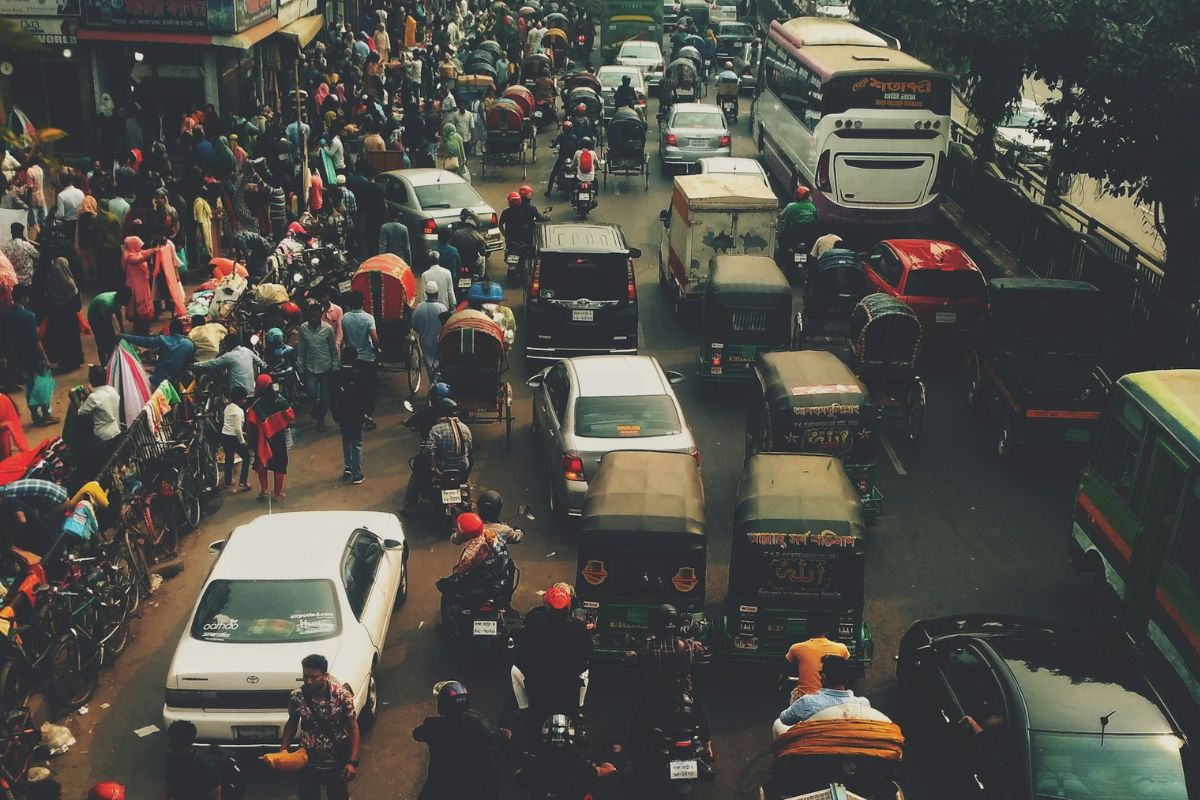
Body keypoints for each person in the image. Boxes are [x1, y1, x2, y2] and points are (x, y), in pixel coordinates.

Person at [625, 603, 714, 759]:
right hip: (682, 694)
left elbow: (638, 659)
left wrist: (630, 655)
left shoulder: (650, 646)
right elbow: (702, 651)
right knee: (701, 706)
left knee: (637, 714)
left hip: (657, 695)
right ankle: (707, 746)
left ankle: (631, 756)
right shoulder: (687, 646)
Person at [512, 583, 592, 731]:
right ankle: (580, 708)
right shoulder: (578, 627)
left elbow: (524, 646)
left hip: (539, 680)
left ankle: (523, 708)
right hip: (569, 680)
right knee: (585, 670)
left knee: (514, 670)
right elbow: (588, 651)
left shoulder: (535, 621)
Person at [280, 654, 360, 800]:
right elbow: (292, 723)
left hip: (336, 761)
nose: (308, 681)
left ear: (325, 675)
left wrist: (353, 762)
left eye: (314, 677)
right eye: (305, 677)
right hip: (307, 762)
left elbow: (353, 728)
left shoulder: (341, 696)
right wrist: (283, 750)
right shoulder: (296, 696)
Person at [413, 680, 509, 800]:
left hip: (440, 786)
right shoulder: (479, 722)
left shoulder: (433, 725)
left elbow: (416, 734)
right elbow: (500, 737)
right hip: (472, 787)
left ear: (443, 704)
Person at [513, 715, 617, 799]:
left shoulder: (535, 764)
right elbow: (600, 772)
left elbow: (519, 780)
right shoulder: (579, 764)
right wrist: (609, 768)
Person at [773, 654, 870, 737]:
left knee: (778, 723)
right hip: (848, 749)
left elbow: (784, 719)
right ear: (846, 679)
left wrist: (796, 705)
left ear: (823, 677)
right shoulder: (862, 703)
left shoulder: (807, 702)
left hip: (814, 749)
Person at [402, 396, 472, 512]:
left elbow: (429, 450)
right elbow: (469, 448)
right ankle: (470, 502)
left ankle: (408, 504)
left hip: (441, 470)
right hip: (460, 471)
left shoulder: (436, 429)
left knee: (418, 464)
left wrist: (434, 468)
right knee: (468, 468)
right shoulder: (465, 428)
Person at [1, 287, 55, 426]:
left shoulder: (6, 316)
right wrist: (46, 358)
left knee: (29, 384)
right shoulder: (29, 315)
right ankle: (46, 413)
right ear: (24, 298)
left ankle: (35, 415)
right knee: (43, 384)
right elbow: (36, 340)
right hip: (34, 355)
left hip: (19, 355)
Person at [246, 373, 294, 502]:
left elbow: (250, 423)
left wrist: (250, 440)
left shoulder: (255, 405)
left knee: (262, 463)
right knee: (279, 464)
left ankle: (264, 490)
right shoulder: (280, 399)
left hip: (260, 440)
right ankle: (278, 494)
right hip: (278, 437)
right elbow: (289, 416)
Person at [784, 612, 851, 700]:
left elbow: (787, 668)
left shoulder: (796, 648)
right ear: (827, 628)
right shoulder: (841, 648)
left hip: (805, 699)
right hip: (832, 700)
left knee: (794, 693)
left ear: (807, 627)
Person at [339, 291, 380, 428]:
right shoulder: (368, 318)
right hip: (367, 358)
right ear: (363, 302)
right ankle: (368, 414)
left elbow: (345, 339)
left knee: (355, 387)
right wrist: (377, 351)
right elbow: (374, 339)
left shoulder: (345, 318)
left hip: (352, 359)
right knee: (371, 388)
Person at [120, 318, 195, 389]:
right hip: (178, 381)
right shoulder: (189, 344)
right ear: (182, 330)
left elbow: (143, 341)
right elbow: (188, 363)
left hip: (160, 381)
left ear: (170, 330)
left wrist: (123, 336)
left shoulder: (162, 339)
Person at [297, 303, 338, 431]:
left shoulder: (328, 329)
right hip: (311, 368)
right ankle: (315, 406)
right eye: (311, 316)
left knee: (325, 397)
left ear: (320, 315)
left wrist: (335, 366)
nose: (313, 318)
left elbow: (333, 350)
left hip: (326, 367)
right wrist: (301, 368)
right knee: (312, 393)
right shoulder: (303, 329)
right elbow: (301, 350)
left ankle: (321, 420)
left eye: (316, 315)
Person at [329, 353, 368, 484]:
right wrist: (365, 414)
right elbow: (364, 399)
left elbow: (332, 398)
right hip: (357, 416)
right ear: (355, 360)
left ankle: (348, 467)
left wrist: (336, 415)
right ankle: (357, 475)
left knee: (346, 440)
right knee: (357, 443)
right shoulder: (360, 376)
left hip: (342, 415)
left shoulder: (335, 376)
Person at [42, 257, 86, 371]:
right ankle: (75, 361)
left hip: (58, 313)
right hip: (70, 314)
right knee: (72, 338)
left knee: (62, 337)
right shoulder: (69, 282)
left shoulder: (50, 279)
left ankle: (65, 361)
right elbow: (76, 299)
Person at [160, 719, 223, 800]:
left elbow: (216, 795)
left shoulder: (205, 765)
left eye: (174, 747)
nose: (169, 749)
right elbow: (169, 784)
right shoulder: (172, 757)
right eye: (169, 744)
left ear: (185, 746)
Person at [194, 333, 266, 396]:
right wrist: (265, 366)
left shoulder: (229, 356)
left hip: (238, 396)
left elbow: (211, 363)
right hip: (252, 391)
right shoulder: (247, 350)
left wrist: (194, 365)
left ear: (228, 344)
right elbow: (260, 362)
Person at [77, 365, 121, 452]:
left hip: (102, 436)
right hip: (116, 430)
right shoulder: (112, 390)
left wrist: (86, 397)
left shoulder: (93, 397)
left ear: (91, 380)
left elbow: (80, 413)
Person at [122, 235, 160, 334]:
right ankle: (140, 328)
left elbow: (144, 252)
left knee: (144, 305)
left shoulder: (136, 252)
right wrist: (152, 252)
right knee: (138, 307)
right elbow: (140, 259)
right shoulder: (129, 257)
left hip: (142, 283)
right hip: (135, 285)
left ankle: (145, 326)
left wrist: (153, 250)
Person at [87, 286, 133, 367]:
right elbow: (106, 323)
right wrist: (113, 335)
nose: (129, 301)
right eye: (128, 299)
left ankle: (110, 362)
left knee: (111, 340)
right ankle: (104, 365)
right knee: (102, 342)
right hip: (94, 317)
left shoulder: (118, 300)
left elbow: (117, 312)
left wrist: (121, 328)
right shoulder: (107, 303)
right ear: (123, 298)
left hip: (103, 313)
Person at [412, 281, 448, 380]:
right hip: (439, 341)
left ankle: (433, 383)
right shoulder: (442, 308)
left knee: (430, 366)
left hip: (425, 342)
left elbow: (414, 326)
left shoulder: (419, 308)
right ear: (437, 293)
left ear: (426, 294)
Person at [219, 384, 252, 492]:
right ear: (239, 399)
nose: (245, 400)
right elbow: (237, 428)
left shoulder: (228, 407)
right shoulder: (239, 411)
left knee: (229, 458)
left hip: (224, 435)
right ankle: (243, 481)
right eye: (244, 398)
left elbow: (230, 424)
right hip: (234, 438)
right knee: (246, 457)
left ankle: (228, 482)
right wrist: (242, 442)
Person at [777, 186, 820, 258]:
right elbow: (816, 220)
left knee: (781, 238)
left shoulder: (791, 206)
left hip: (794, 233)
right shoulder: (812, 206)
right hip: (809, 234)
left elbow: (782, 217)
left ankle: (782, 259)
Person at [447, 209, 486, 279]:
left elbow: (450, 245)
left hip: (460, 261)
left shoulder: (457, 233)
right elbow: (483, 253)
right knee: (483, 258)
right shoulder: (479, 237)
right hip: (473, 262)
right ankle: (481, 277)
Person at [547, 120, 578, 195]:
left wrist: (551, 146)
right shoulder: (574, 137)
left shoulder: (560, 136)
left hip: (562, 158)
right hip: (572, 158)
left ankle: (548, 191)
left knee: (553, 174)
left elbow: (554, 145)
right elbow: (578, 147)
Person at [2, 223, 37, 287]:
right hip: (26, 282)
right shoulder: (26, 245)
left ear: (12, 232)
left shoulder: (6, 247)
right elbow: (37, 256)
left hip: (13, 282)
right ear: (21, 232)